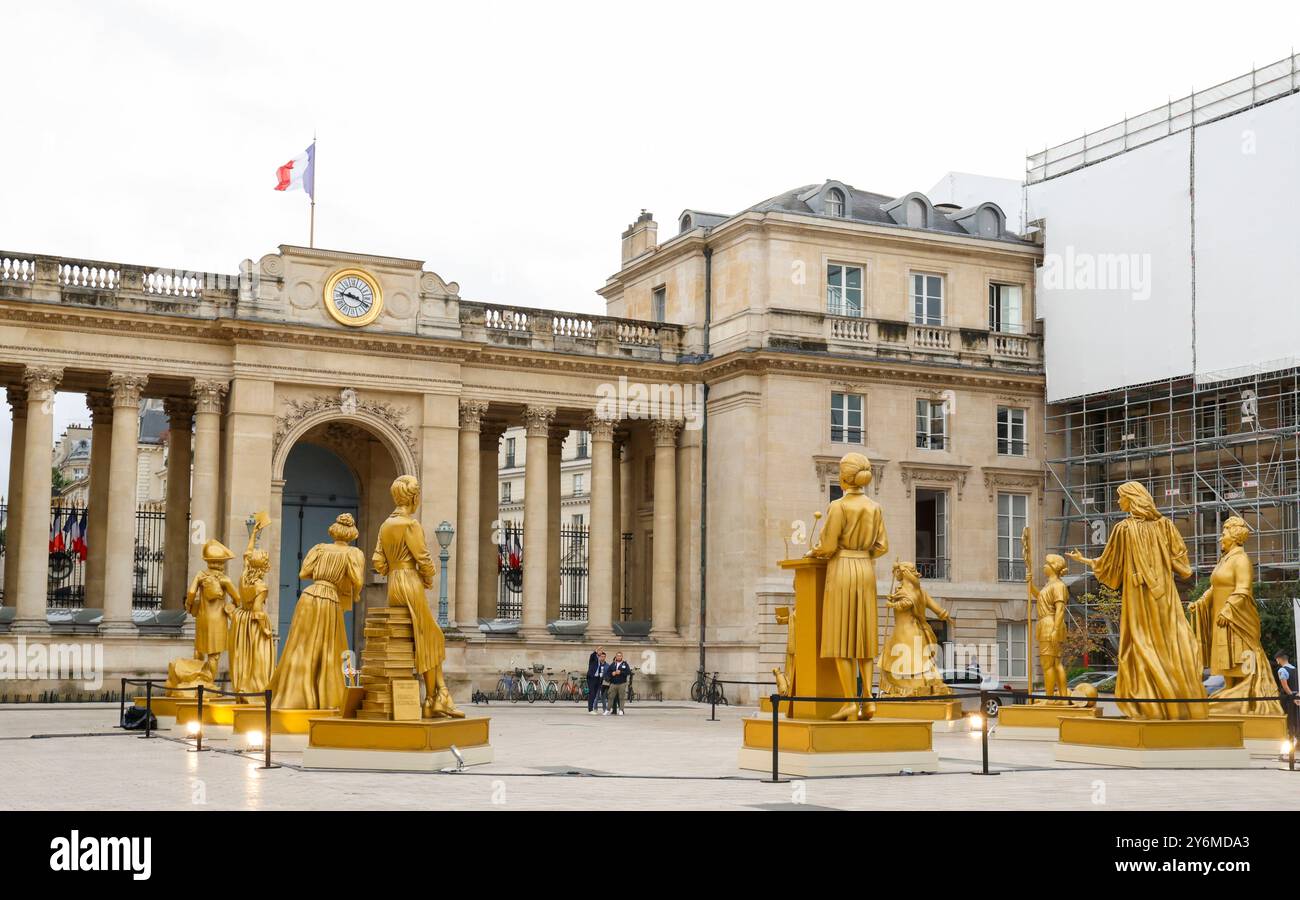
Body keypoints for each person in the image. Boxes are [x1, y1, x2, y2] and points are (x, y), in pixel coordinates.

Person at [1067, 481, 1206, 720]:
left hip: (1139, 595)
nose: (1118, 502)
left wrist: (1087, 561)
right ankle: (1175, 698)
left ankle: (1153, 699)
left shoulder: (1125, 528)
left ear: (1132, 499)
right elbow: (1183, 567)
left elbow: (1109, 565)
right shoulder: (1165, 525)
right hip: (1165, 594)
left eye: (1120, 497)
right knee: (1169, 640)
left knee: (1143, 641)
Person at [805, 453, 889, 721]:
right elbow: (882, 546)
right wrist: (862, 555)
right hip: (865, 571)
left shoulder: (838, 506)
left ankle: (850, 701)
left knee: (840, 639)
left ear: (843, 478)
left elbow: (828, 547)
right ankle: (869, 700)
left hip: (842, 569)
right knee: (863, 639)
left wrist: (814, 552)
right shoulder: (875, 507)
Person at [373, 475, 464, 718]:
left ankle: (437, 697)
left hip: (394, 583)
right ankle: (435, 697)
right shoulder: (410, 525)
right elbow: (423, 559)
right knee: (431, 637)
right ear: (414, 497)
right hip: (410, 581)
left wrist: (394, 567)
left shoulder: (385, 525)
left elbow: (378, 562)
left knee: (424, 635)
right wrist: (428, 577)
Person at [1186, 517, 1282, 715]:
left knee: (1240, 655)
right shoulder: (1225, 559)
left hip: (1237, 618)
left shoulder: (1241, 560)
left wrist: (1228, 609)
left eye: (1224, 533)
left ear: (1234, 536)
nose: (1221, 537)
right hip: (1220, 618)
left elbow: (1243, 589)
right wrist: (1201, 601)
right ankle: (1230, 690)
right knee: (1225, 657)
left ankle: (1245, 695)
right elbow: (1215, 586)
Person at [270, 514, 363, 710]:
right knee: (327, 649)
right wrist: (354, 594)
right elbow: (358, 580)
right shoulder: (352, 553)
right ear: (351, 533)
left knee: (299, 645)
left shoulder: (319, 548)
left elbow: (303, 573)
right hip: (329, 599)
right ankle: (324, 698)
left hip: (308, 596)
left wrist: (321, 572)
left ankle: (291, 696)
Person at [878, 561, 952, 697]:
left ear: (903, 572)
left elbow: (906, 603)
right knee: (915, 662)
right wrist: (946, 616)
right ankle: (919, 688)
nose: (895, 575)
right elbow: (938, 610)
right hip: (914, 632)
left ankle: (910, 690)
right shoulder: (919, 592)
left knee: (906, 662)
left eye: (896, 572)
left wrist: (891, 604)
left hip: (905, 634)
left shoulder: (909, 592)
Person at [228, 512, 275, 694]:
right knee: (257, 660)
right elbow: (258, 612)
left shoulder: (244, 576)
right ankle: (256, 692)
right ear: (264, 567)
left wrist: (253, 535)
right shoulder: (261, 586)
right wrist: (265, 628)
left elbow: (247, 554)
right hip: (253, 625)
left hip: (240, 620)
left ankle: (241, 688)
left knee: (242, 658)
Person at [1276, 652, 1299, 742]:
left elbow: (1285, 686)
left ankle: (1290, 738)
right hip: (1297, 696)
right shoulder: (1295, 669)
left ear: (1279, 659)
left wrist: (1292, 697)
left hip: (1288, 698)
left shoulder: (1282, 670)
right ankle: (1297, 738)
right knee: (1296, 717)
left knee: (1289, 717)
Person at [606, 651, 632, 716]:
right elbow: (608, 673)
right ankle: (608, 710)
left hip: (622, 683)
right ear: (616, 656)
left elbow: (628, 672)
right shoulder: (613, 664)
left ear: (622, 657)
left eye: (620, 656)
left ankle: (621, 710)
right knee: (610, 697)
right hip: (613, 683)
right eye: (617, 656)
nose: (619, 657)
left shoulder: (625, 664)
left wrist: (621, 672)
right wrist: (612, 673)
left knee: (621, 697)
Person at [586, 645, 605, 713]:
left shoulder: (599, 659)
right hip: (592, 678)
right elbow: (592, 655)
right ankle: (590, 709)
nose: (600, 652)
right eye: (599, 650)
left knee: (594, 694)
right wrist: (596, 651)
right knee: (592, 693)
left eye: (601, 651)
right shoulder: (593, 657)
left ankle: (592, 708)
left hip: (597, 678)